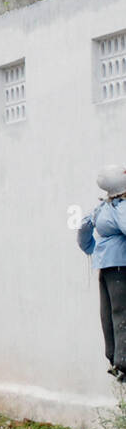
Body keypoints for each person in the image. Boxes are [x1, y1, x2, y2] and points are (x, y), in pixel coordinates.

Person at [78, 163, 126, 381]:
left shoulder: (101, 209)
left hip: (104, 265)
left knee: (106, 312)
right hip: (120, 266)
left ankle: (112, 357)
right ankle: (123, 361)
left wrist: (92, 249)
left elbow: (83, 230)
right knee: (121, 312)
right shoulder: (120, 207)